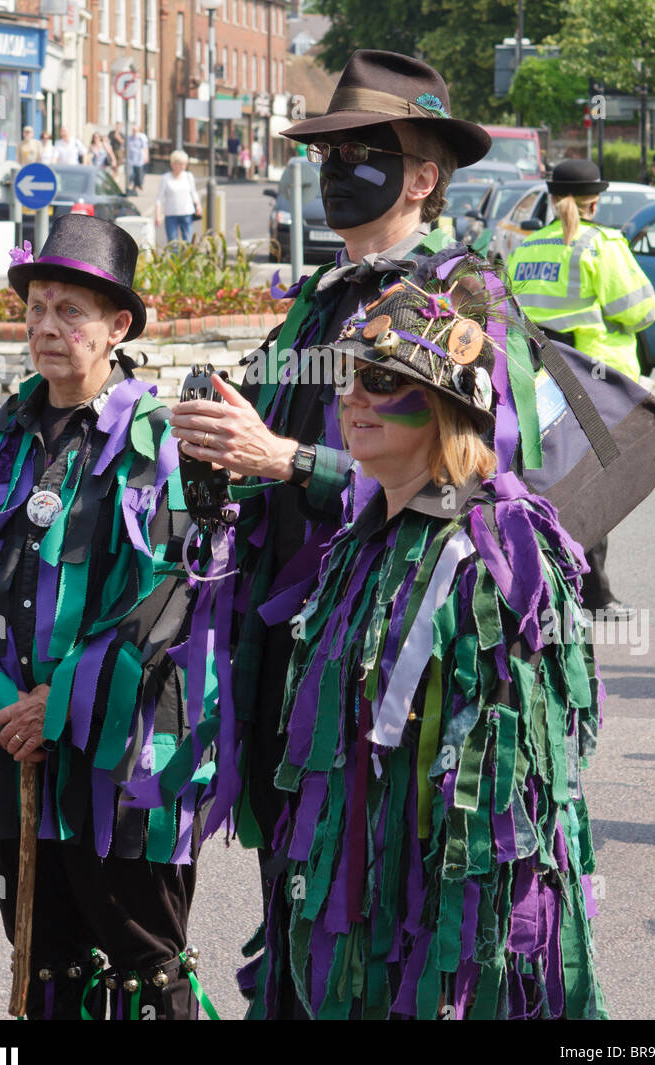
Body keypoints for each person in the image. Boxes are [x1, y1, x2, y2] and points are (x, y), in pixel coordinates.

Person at [169, 50, 506, 884]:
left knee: (365, 913)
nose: (337, 171)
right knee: (291, 905)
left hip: (388, 656)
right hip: (288, 642)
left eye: (363, 153)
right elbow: (267, 442)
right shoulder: (322, 298)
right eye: (327, 154)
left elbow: (467, 492)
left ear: (423, 178)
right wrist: (215, 442)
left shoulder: (453, 299)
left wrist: (288, 461)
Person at [241, 267, 606, 1020]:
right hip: (363, 898)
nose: (353, 397)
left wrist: (453, 938)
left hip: (452, 925)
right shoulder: (362, 540)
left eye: (382, 380)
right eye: (349, 378)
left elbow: (508, 783)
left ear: (446, 406)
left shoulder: (494, 554)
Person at [0, 215, 209, 1021]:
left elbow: (168, 598)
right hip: (15, 744)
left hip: (122, 751)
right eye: (36, 306)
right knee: (44, 956)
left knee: (140, 961)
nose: (46, 327)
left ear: (117, 327)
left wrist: (65, 702)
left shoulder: (156, 442)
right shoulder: (3, 438)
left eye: (69, 311)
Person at [507, 158, 655, 620]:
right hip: (595, 385)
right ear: (596, 199)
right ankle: (595, 598)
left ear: (553, 198)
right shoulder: (602, 245)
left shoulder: (527, 247)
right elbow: (642, 311)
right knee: (591, 486)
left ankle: (547, 590)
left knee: (549, 483)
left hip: (538, 383)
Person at [155, 150, 201, 243]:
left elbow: (193, 192)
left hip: (187, 213)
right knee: (172, 243)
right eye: (180, 164)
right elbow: (159, 198)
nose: (183, 166)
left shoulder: (188, 176)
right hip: (171, 214)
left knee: (188, 241)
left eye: (184, 164)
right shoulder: (166, 178)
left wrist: (198, 205)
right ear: (173, 164)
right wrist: (157, 215)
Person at [127, 125, 149, 195]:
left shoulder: (141, 138)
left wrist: (146, 156)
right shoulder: (129, 138)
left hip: (139, 160)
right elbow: (125, 148)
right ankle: (129, 188)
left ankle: (136, 189)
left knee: (138, 175)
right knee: (130, 174)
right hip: (131, 159)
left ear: (138, 131)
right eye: (133, 130)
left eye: (136, 130)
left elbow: (145, 148)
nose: (134, 132)